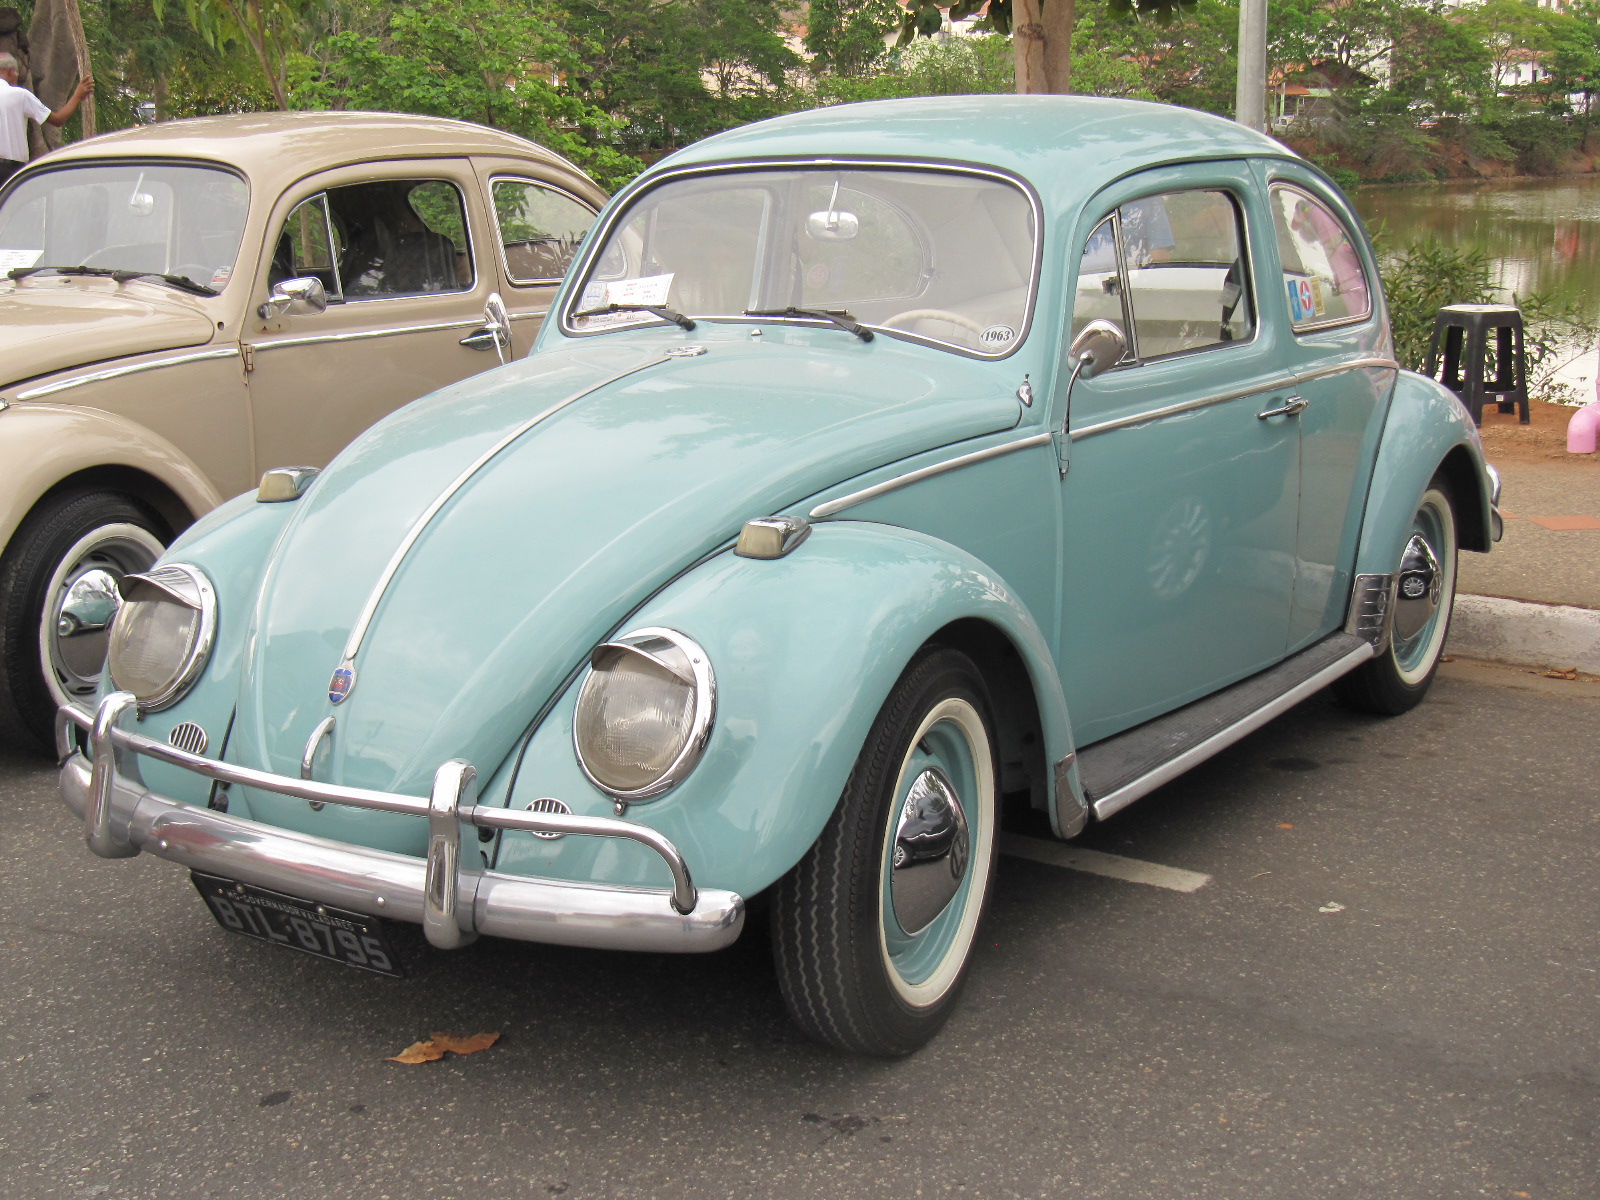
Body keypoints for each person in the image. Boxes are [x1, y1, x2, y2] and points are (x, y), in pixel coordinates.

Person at [0, 52, 91, 186]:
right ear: (12, 71)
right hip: (10, 171)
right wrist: (78, 94)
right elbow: (58, 119)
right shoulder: (20, 95)